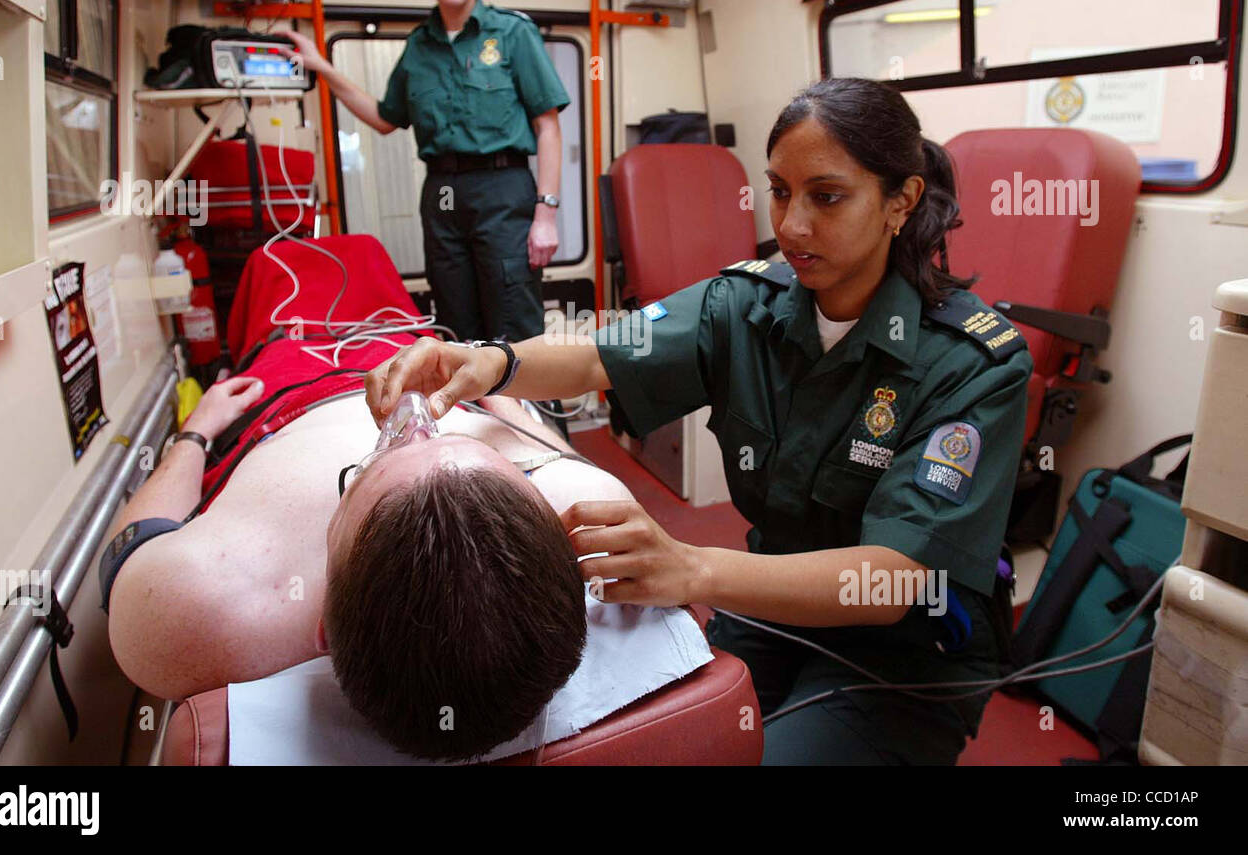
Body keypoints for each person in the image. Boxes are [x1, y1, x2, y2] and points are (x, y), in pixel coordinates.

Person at [366, 77, 1034, 765]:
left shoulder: (974, 361)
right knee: (673, 742)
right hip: (773, 600)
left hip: (904, 653)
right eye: (778, 191)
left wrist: (693, 568)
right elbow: (601, 351)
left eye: (826, 197)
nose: (792, 225)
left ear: (902, 201)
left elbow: (893, 577)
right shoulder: (746, 303)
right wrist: (487, 362)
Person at [102, 378, 633, 760]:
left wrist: (196, 432)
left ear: (325, 629)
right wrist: (508, 409)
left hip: (286, 390)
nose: (414, 413)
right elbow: (555, 457)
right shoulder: (590, 509)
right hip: (456, 378)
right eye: (521, 471)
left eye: (359, 474)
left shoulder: (198, 608)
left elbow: (130, 546)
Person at [286, 0, 569, 344]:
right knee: (456, 326)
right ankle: (470, 413)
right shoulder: (418, 47)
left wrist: (546, 214)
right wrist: (322, 67)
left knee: (514, 326)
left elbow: (548, 127)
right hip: (442, 196)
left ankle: (527, 412)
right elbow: (384, 117)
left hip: (504, 191)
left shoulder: (513, 34)